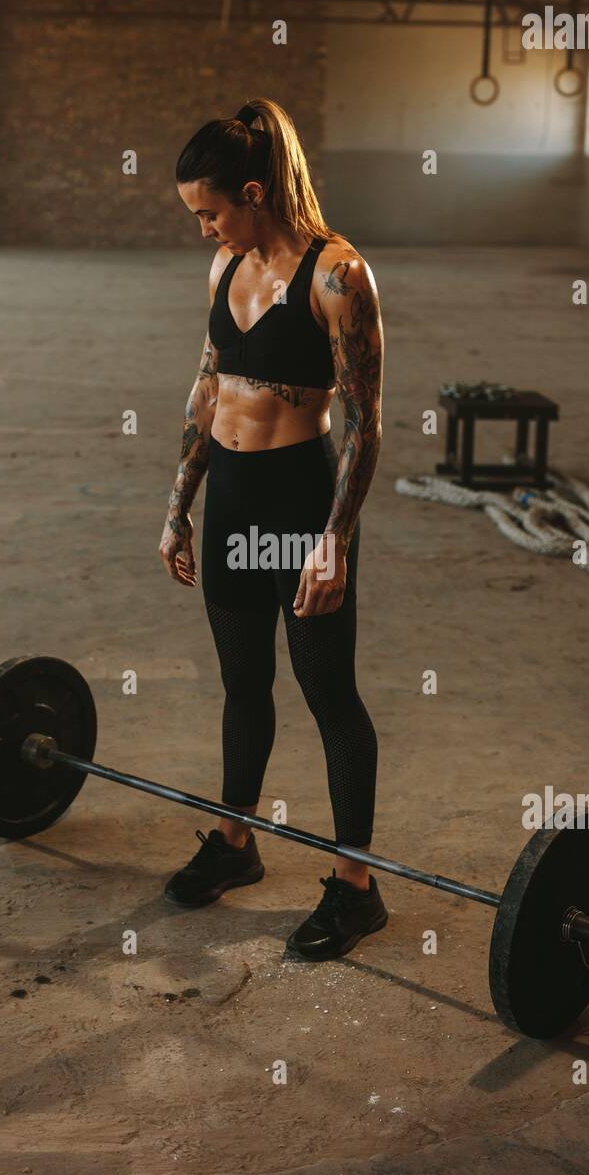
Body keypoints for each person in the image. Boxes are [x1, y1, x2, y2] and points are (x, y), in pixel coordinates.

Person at [158, 97, 385, 961]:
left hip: (298, 505)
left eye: (210, 211)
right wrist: (180, 502)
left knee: (329, 696)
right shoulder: (223, 270)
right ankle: (235, 842)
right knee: (243, 684)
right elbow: (208, 386)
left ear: (253, 192)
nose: (204, 229)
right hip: (231, 503)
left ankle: (357, 889)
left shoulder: (338, 277)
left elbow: (364, 423)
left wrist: (335, 539)